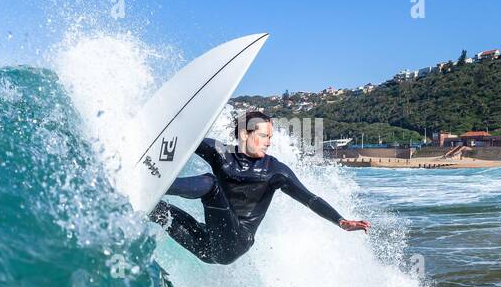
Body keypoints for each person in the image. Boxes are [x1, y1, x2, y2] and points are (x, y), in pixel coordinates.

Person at [149, 110, 370, 265]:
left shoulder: (274, 170)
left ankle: (151, 185)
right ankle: (135, 193)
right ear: (245, 134)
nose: (269, 142)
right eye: (264, 136)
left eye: (270, 137)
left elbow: (310, 199)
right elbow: (186, 140)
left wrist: (339, 220)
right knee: (156, 209)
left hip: (236, 243)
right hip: (207, 245)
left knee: (210, 184)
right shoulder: (220, 152)